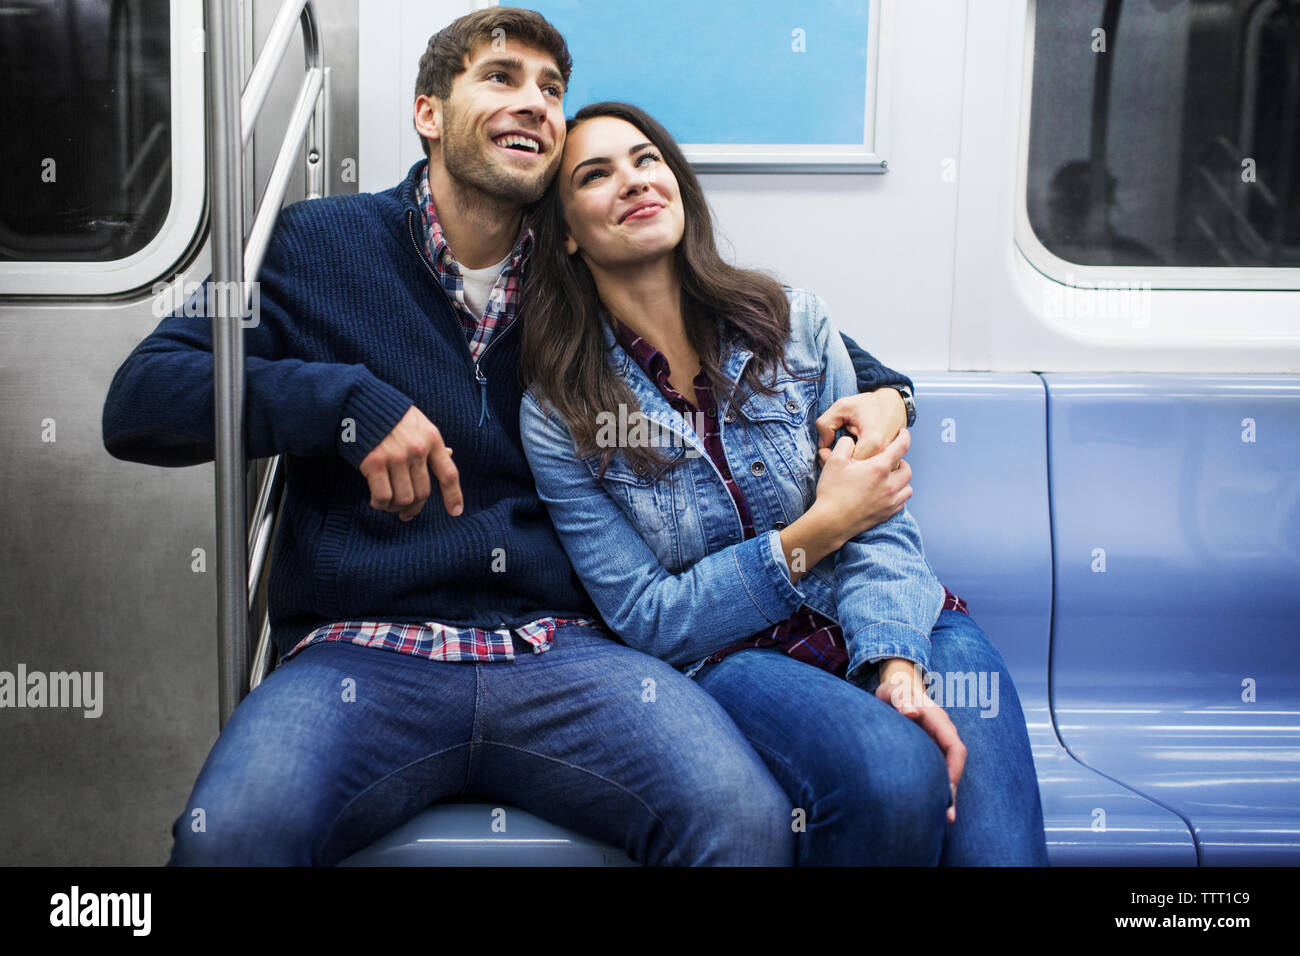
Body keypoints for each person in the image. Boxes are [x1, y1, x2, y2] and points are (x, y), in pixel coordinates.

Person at [100, 7, 911, 866]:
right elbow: (142, 401)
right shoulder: (320, 245)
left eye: (551, 89)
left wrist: (893, 392)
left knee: (742, 822)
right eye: (501, 77)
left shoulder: (585, 260)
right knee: (228, 837)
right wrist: (341, 400)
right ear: (428, 114)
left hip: (565, 652)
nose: (534, 101)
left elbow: (811, 350)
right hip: (364, 654)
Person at [518, 101, 1051, 865]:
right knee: (893, 774)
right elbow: (649, 617)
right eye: (595, 175)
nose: (632, 181)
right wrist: (813, 534)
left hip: (897, 611)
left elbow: (881, 518)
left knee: (996, 852)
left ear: (676, 183)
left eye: (645, 159)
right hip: (738, 660)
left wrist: (895, 660)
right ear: (567, 232)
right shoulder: (561, 410)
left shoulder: (793, 325)